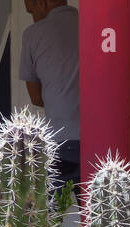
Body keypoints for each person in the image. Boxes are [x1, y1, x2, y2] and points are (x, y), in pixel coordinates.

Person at [20, 0, 80, 186]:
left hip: (62, 139)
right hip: (102, 140)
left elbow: (36, 97)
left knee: (52, 211)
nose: (34, 18)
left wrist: (62, 98)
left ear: (42, 3)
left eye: (31, 12)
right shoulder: (97, 26)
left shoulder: (33, 34)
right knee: (98, 211)